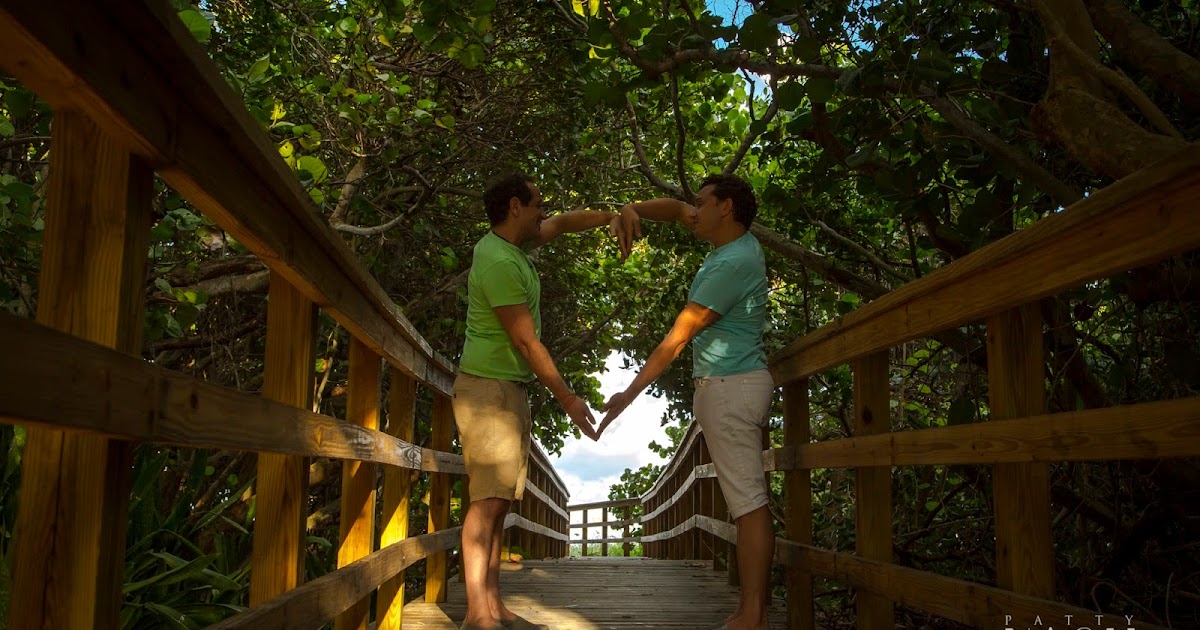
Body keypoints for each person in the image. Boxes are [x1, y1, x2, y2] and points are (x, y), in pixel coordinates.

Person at [453, 173, 633, 630]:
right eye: (537, 204)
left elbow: (565, 223)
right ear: (515, 207)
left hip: (507, 390)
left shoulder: (515, 247)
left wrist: (610, 217)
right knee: (486, 503)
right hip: (487, 391)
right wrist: (569, 399)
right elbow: (526, 342)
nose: (543, 212)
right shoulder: (497, 261)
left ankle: (493, 607)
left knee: (500, 504)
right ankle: (478, 615)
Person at [600, 173, 775, 630]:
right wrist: (633, 209)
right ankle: (747, 610)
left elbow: (677, 339)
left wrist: (626, 397)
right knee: (745, 501)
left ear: (727, 208)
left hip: (731, 387)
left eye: (702, 202)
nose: (692, 210)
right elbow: (675, 211)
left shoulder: (728, 265)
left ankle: (752, 614)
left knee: (749, 504)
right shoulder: (738, 247)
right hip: (731, 385)